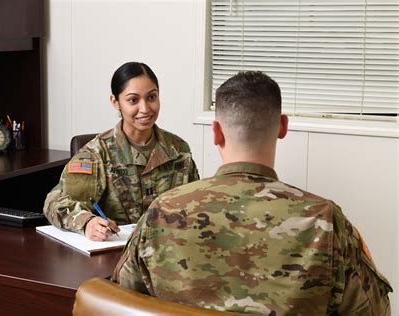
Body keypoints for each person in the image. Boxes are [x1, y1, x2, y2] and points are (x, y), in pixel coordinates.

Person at [113, 71, 392, 314]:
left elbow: (119, 301)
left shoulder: (162, 212)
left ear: (216, 133)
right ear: (283, 127)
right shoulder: (327, 222)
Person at [43, 62, 199, 241]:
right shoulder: (97, 154)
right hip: (116, 254)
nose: (145, 109)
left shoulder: (178, 149)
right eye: (133, 100)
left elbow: (194, 203)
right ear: (115, 102)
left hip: (168, 252)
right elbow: (54, 203)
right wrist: (87, 222)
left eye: (151, 97)